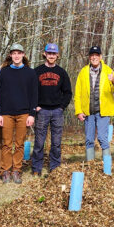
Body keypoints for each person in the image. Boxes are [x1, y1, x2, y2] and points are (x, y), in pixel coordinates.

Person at [0, 44, 37, 183]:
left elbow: (34, 95)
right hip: (6, 113)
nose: (17, 56)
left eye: (19, 53)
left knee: (19, 144)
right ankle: (6, 170)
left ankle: (17, 170)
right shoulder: (4, 72)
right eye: (14, 53)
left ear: (23, 54)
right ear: (10, 55)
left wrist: (31, 114)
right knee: (6, 143)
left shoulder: (30, 73)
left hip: (23, 114)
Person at [74, 46, 114, 161]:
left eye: (96, 55)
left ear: (100, 57)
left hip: (103, 112)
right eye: (92, 55)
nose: (94, 57)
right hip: (88, 112)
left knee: (102, 138)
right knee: (89, 139)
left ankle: (107, 167)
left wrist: (113, 81)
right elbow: (77, 94)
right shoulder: (83, 72)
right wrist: (79, 111)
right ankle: (90, 166)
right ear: (89, 57)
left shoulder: (107, 70)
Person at [31, 42, 73, 175]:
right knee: (39, 141)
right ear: (45, 54)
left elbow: (68, 92)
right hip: (41, 110)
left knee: (56, 142)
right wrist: (35, 106)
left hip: (57, 112)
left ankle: (54, 167)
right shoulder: (37, 71)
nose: (51, 56)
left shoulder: (61, 72)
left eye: (53, 54)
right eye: (49, 53)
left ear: (57, 55)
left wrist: (62, 107)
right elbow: (32, 91)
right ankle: (36, 168)